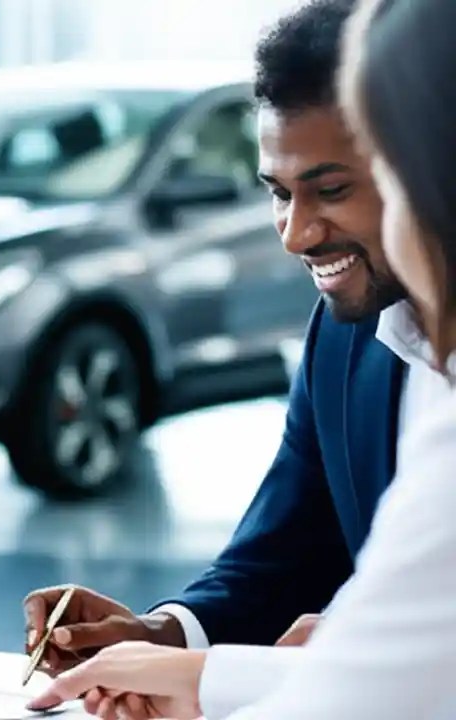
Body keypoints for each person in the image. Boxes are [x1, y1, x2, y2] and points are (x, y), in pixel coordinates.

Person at [29, 0, 456, 716]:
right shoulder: (346, 335)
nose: (295, 235)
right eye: (278, 194)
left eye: (332, 190)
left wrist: (216, 678)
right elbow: (282, 557)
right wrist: (166, 636)